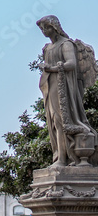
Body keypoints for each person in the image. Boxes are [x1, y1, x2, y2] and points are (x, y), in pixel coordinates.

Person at [37, 15, 98, 167]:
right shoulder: (48, 48)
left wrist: (52, 68)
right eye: (42, 28)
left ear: (55, 27)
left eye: (47, 27)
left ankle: (64, 159)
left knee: (62, 120)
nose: (44, 31)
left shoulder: (66, 44)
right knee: (53, 122)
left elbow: (71, 64)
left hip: (64, 87)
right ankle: (59, 156)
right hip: (50, 86)